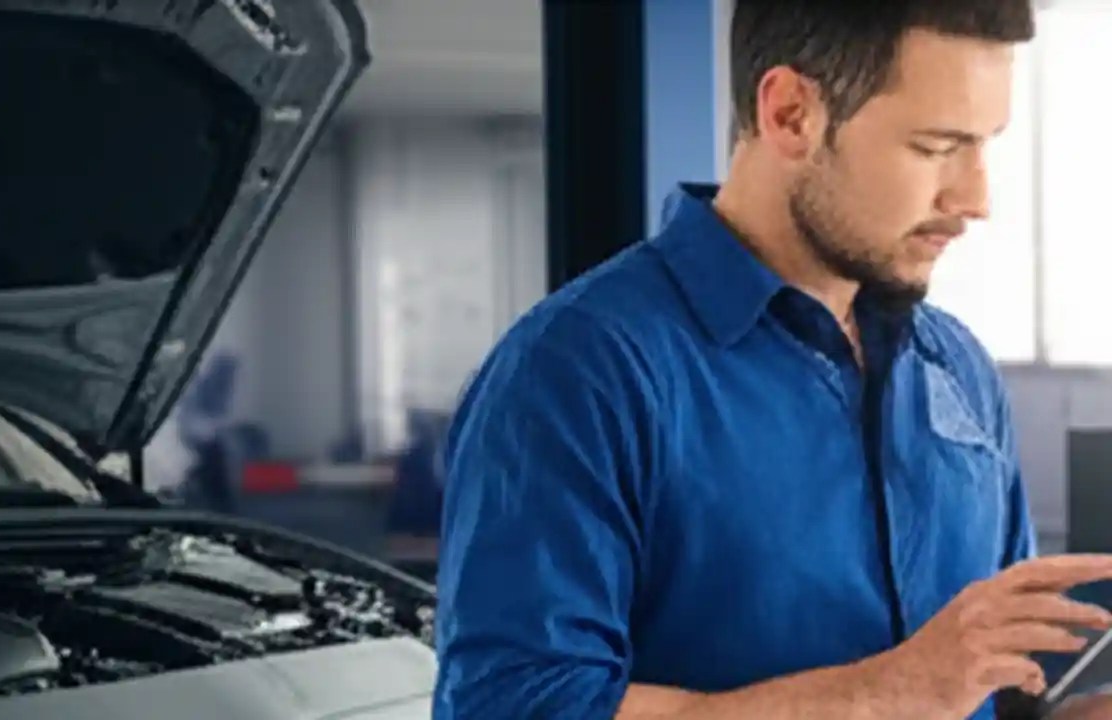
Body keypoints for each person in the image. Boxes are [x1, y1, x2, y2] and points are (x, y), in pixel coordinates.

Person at [433, 1, 1112, 719]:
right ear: (791, 114)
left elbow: (991, 697)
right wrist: (884, 696)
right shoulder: (578, 369)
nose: (975, 199)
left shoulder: (959, 370)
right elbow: (512, 707)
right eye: (935, 147)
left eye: (984, 146)